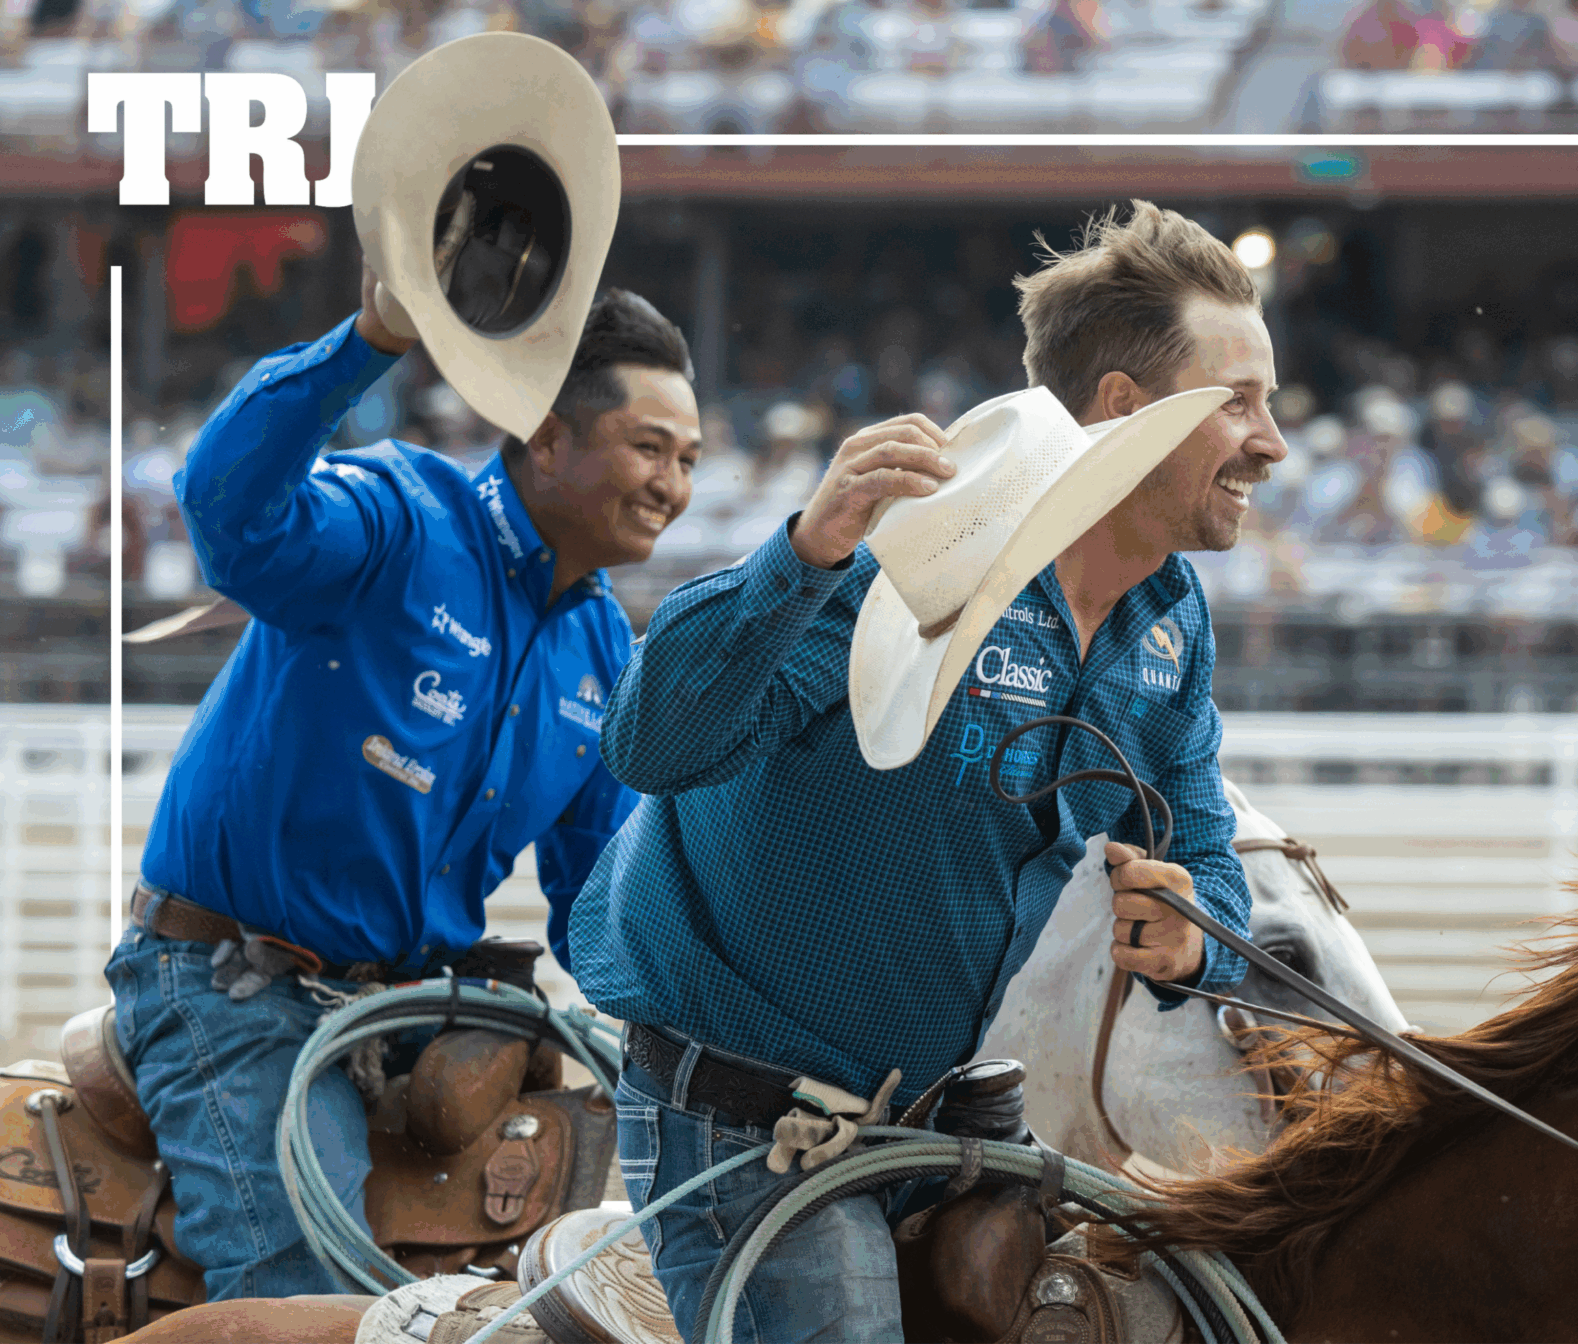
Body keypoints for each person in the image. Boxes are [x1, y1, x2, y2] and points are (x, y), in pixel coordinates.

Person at [571, 201, 1275, 1344]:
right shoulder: (914, 545)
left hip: (937, 1129)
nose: (1272, 442)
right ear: (1123, 410)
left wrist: (1198, 940)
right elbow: (652, 748)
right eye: (1238, 402)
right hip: (749, 1124)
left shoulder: (1169, 613)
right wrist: (806, 552)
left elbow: (1200, 848)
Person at [109, 277, 702, 1300]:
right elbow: (231, 515)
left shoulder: (604, 646)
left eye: (688, 459)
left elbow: (604, 913)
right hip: (229, 984)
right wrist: (370, 339)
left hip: (408, 1004)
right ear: (548, 438)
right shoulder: (396, 517)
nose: (673, 486)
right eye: (650, 448)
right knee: (308, 1288)